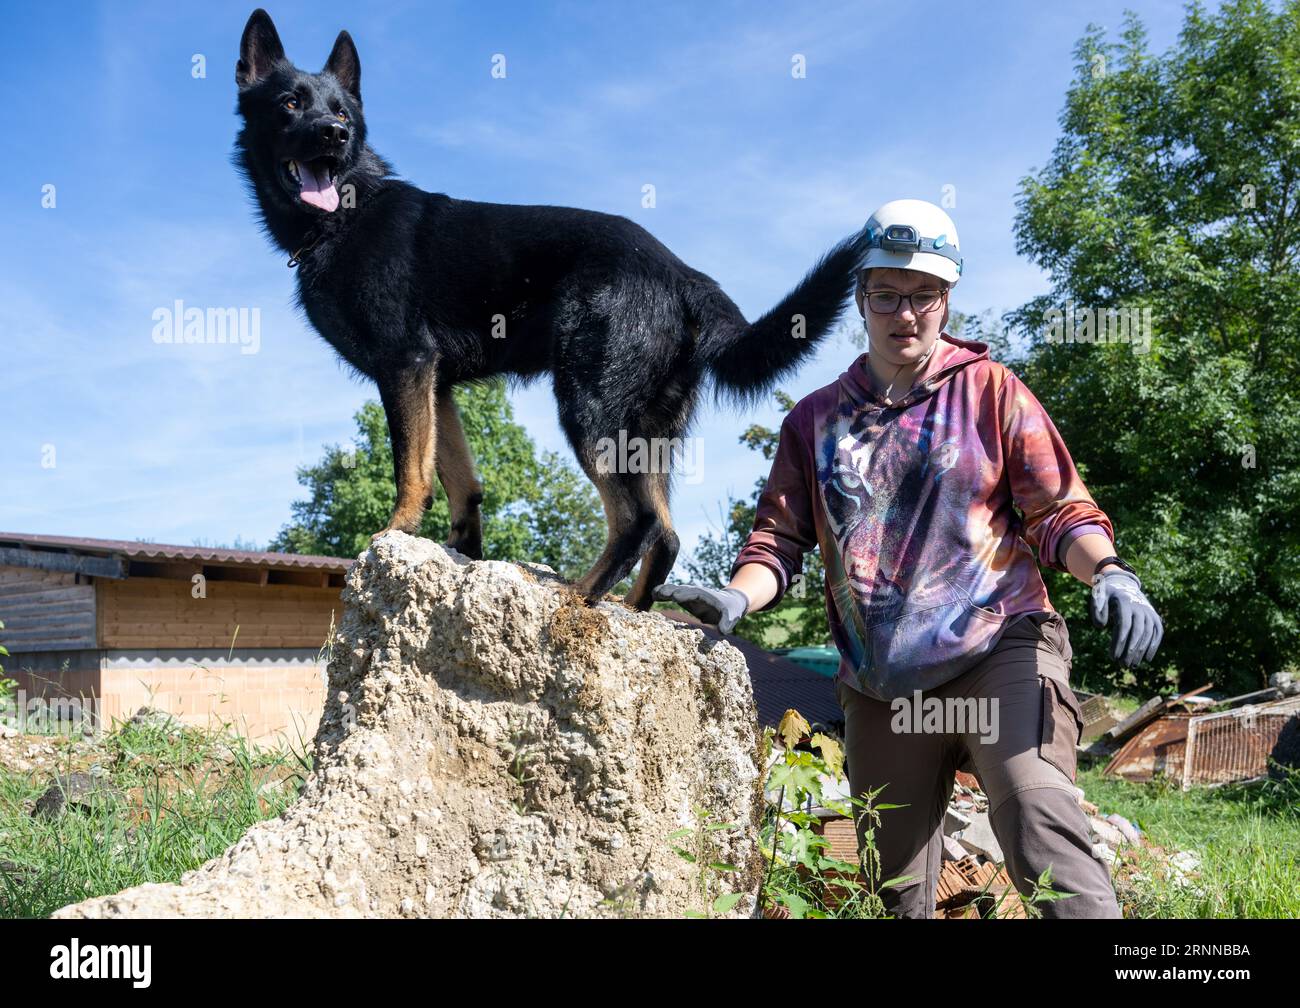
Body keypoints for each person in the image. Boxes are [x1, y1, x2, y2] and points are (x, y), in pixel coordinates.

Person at [654, 198, 1162, 919]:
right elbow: (778, 540)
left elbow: (1059, 511)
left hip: (1000, 645)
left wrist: (1108, 570)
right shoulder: (816, 420)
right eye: (887, 294)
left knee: (1037, 818)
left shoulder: (992, 392)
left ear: (947, 299)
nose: (906, 313)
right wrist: (738, 597)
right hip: (882, 682)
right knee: (896, 893)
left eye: (923, 295)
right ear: (861, 299)